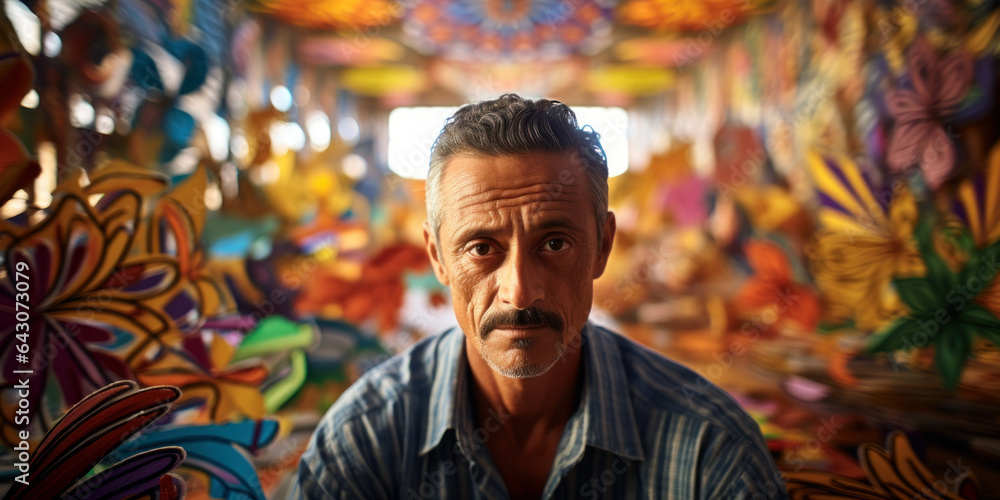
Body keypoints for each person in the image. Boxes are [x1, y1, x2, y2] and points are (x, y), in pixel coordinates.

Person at [290, 94, 787, 499]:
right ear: (437, 257)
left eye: (554, 243)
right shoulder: (364, 440)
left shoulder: (709, 448)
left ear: (603, 246)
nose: (520, 290)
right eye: (481, 248)